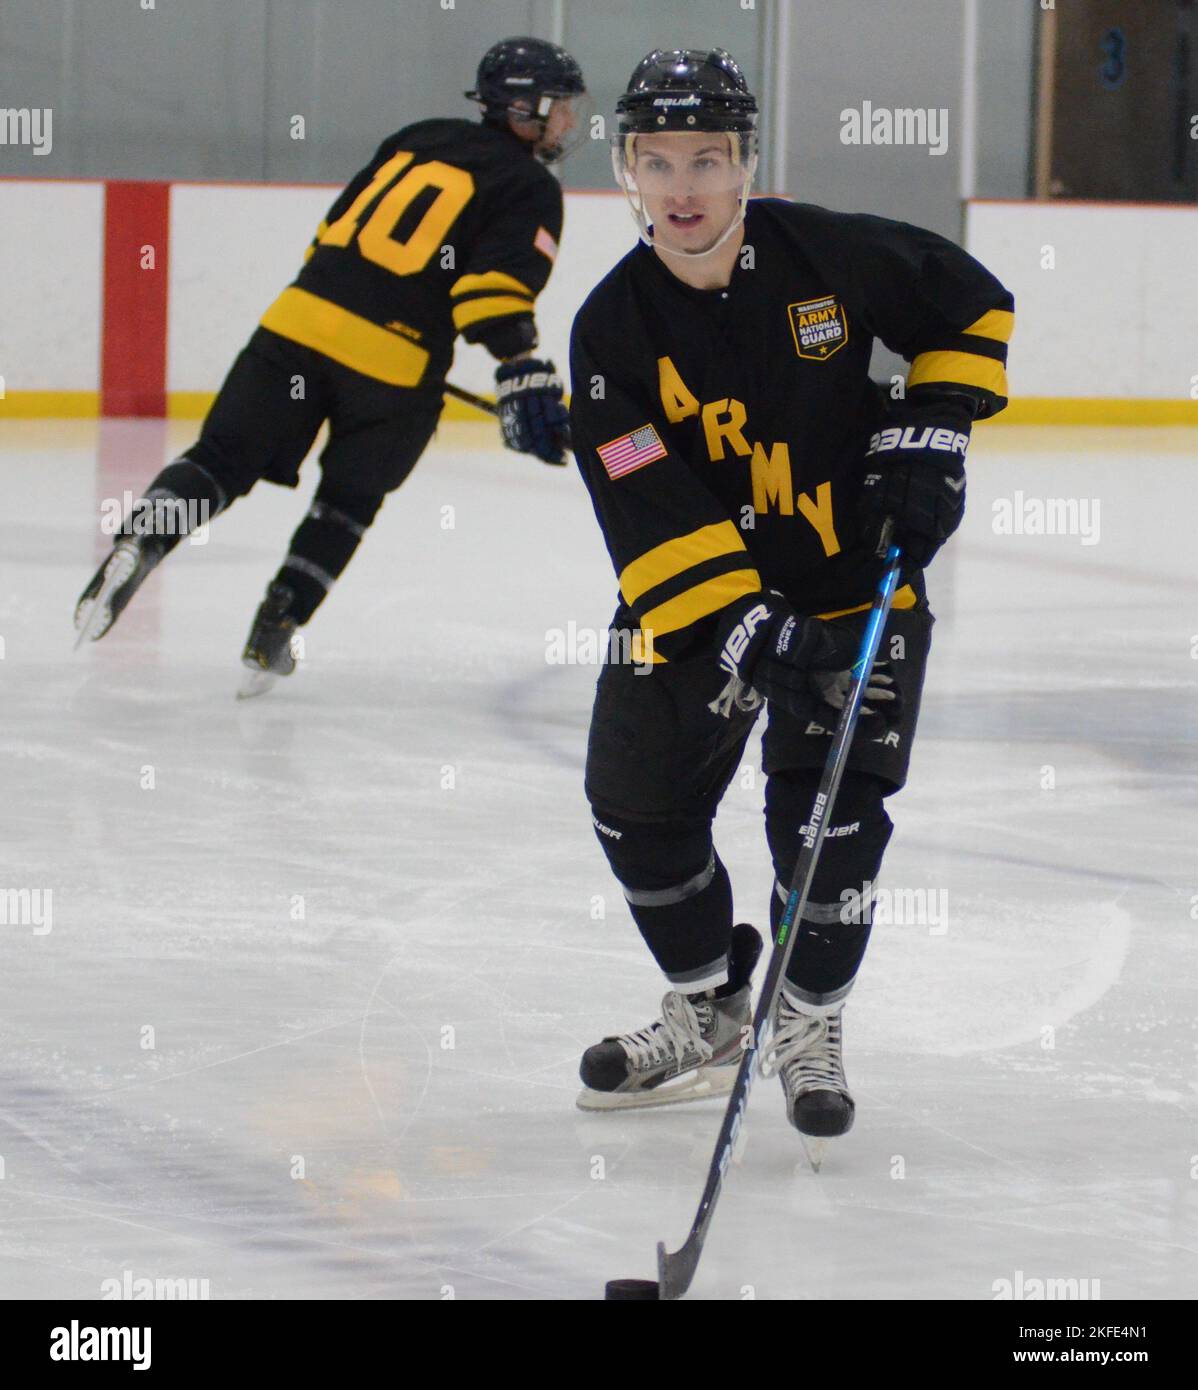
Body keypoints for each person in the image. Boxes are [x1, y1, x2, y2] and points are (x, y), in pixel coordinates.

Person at [569, 48, 1013, 1152]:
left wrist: (930, 432)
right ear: (625, 168)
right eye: (657, 159)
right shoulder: (610, 331)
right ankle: (714, 1005)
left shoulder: (831, 251)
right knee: (634, 805)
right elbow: (644, 498)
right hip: (698, 600)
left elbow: (969, 303)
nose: (683, 187)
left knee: (830, 821)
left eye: (707, 160)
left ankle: (807, 1022)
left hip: (851, 579)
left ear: (745, 164)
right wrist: (743, 626)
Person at [76, 36, 585, 697]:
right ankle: (274, 629)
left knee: (219, 459)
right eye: (563, 108)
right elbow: (488, 293)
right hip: (393, 366)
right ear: (527, 108)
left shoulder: (417, 137)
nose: (570, 123)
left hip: (298, 320)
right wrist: (520, 365)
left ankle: (142, 539)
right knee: (347, 501)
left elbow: (331, 232)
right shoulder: (531, 187)